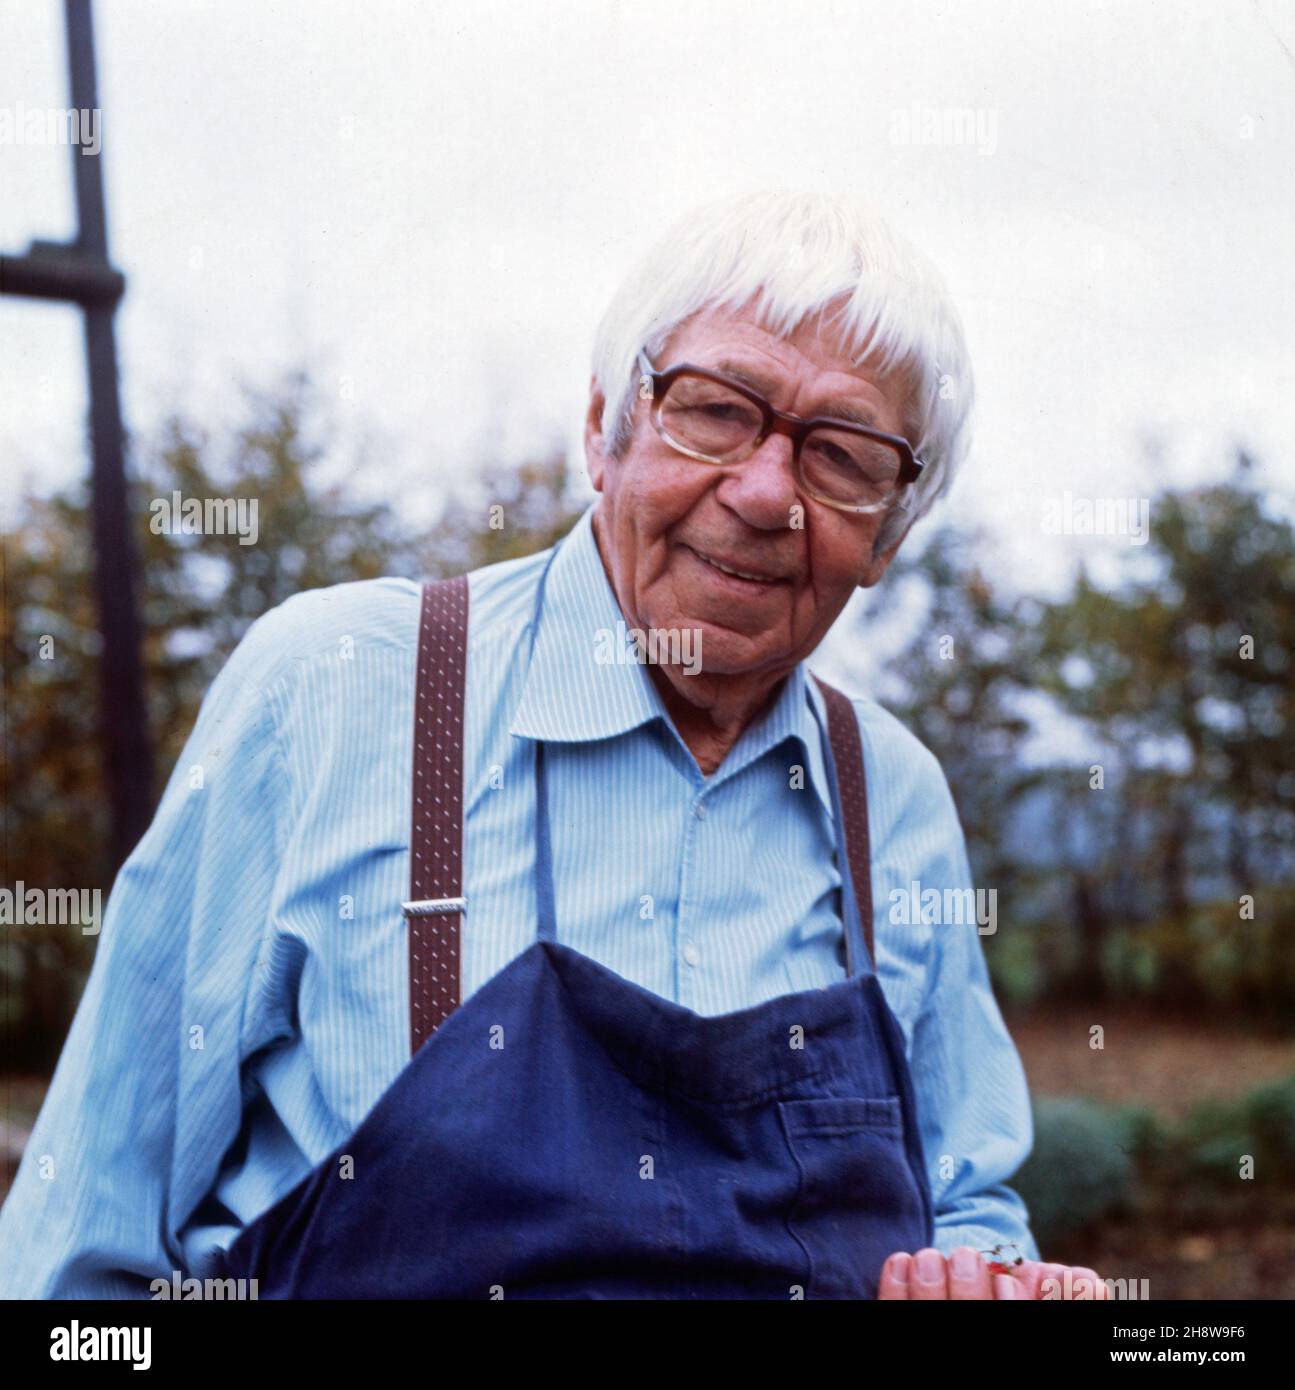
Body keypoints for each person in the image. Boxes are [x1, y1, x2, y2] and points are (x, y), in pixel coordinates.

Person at [0, 190, 1106, 1300]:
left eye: (842, 456)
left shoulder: (890, 798)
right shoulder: (333, 693)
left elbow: (965, 1197)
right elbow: (76, 1256)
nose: (766, 492)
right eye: (716, 410)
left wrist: (994, 1281)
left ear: (887, 535)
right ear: (601, 426)